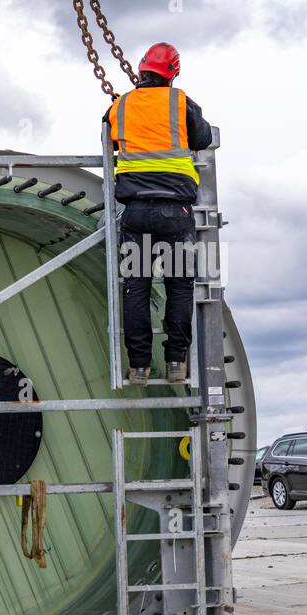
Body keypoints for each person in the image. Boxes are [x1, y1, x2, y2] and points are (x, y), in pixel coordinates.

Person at [105, 42, 213, 385]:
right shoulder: (181, 102)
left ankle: (138, 367)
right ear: (172, 73)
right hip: (175, 213)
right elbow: (203, 137)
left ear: (140, 70)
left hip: (135, 213)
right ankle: (176, 363)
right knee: (179, 287)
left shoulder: (120, 106)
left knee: (136, 288)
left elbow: (109, 133)